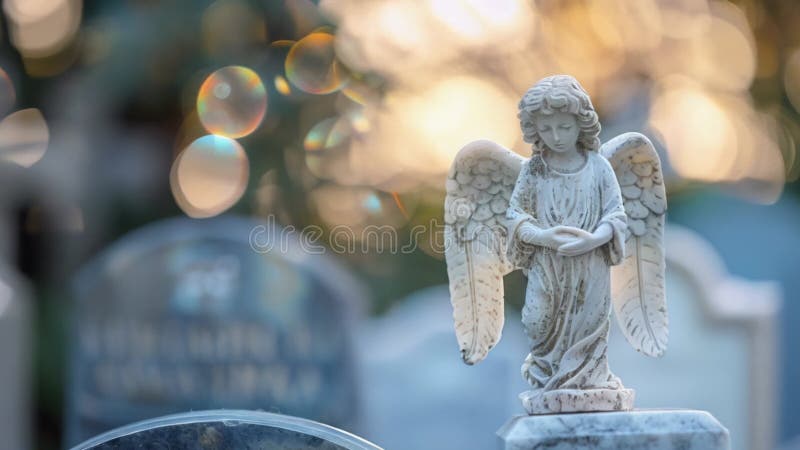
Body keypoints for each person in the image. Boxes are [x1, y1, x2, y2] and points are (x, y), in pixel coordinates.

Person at [504, 75, 631, 412]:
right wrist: (543, 236)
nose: (556, 137)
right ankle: (548, 375)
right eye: (546, 129)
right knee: (536, 321)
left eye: (564, 127)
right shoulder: (533, 170)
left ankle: (587, 381)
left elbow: (616, 214)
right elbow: (514, 216)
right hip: (548, 265)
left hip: (591, 266)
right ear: (534, 129)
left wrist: (594, 239)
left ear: (580, 124)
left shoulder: (599, 167)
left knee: (588, 326)